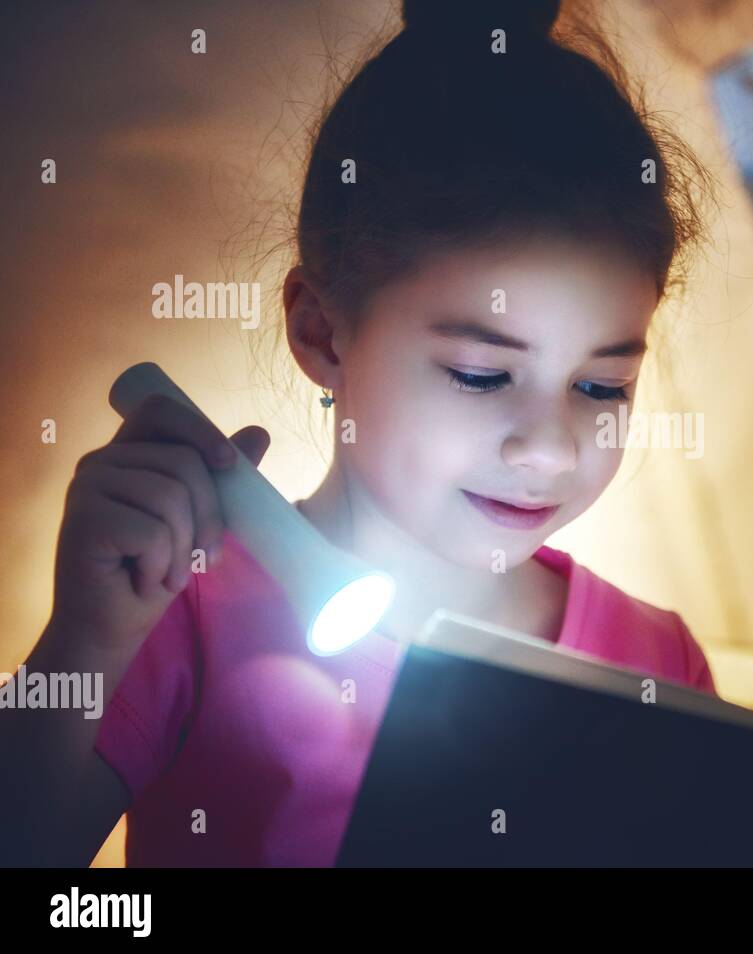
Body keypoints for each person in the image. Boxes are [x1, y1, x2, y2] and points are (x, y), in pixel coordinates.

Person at [0, 0, 717, 866]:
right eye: (482, 374)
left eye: (603, 385)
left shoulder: (658, 661)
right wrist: (82, 640)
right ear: (323, 333)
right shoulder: (178, 611)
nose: (553, 447)